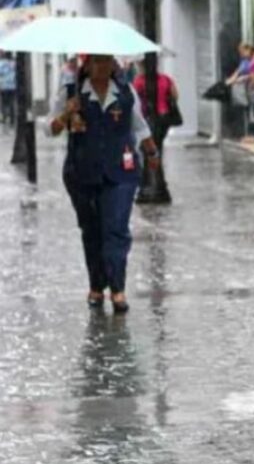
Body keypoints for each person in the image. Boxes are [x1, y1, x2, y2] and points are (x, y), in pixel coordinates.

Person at [46, 54, 160, 313]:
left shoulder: (125, 91)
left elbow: (139, 126)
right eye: (96, 62)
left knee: (116, 229)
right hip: (81, 172)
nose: (102, 67)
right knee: (92, 230)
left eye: (106, 61)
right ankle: (96, 285)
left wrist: (152, 152)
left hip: (121, 171)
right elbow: (49, 129)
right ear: (87, 66)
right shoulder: (70, 92)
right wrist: (66, 113)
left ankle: (117, 289)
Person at [132, 60, 179, 202]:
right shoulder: (166, 79)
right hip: (163, 119)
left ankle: (149, 186)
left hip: (147, 119)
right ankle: (158, 184)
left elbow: (134, 101)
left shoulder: (139, 81)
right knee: (157, 150)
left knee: (148, 152)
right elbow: (175, 95)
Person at [0, 51, 16, 127]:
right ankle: (12, 120)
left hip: (3, 86)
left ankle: (5, 117)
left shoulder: (1, 64)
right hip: (13, 86)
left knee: (4, 103)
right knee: (11, 103)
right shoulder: (14, 64)